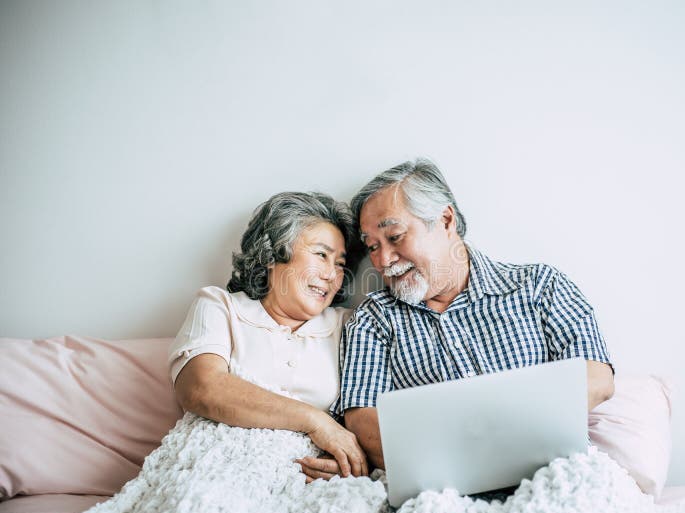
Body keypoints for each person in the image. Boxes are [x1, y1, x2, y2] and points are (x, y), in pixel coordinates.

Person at [298, 159, 614, 481]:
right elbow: (363, 422)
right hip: (441, 487)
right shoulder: (372, 319)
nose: (383, 260)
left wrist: (499, 438)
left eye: (395, 236)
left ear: (445, 220)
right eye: (373, 247)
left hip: (554, 476)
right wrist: (469, 459)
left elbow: (597, 380)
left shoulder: (539, 286)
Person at [169, 191, 368, 480]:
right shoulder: (220, 306)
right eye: (321, 255)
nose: (331, 275)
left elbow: (368, 418)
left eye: (339, 263)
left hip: (307, 481)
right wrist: (316, 421)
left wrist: (348, 460)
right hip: (217, 468)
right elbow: (200, 388)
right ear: (273, 254)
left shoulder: (351, 325)